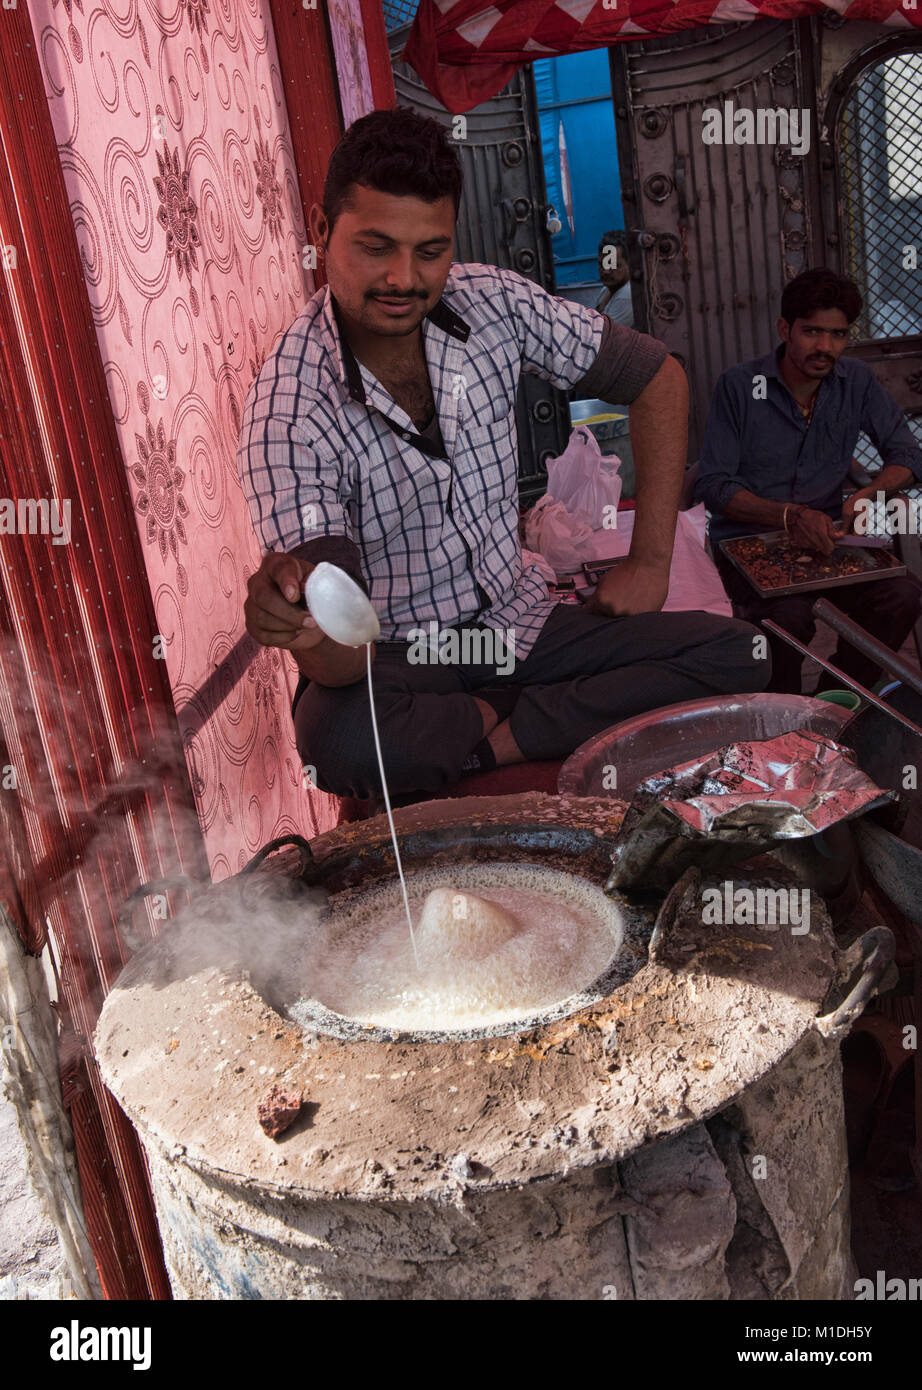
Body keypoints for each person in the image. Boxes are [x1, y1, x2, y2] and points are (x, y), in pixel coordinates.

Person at [237, 107, 769, 803]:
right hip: (402, 658)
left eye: (429, 250)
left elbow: (657, 377)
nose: (404, 278)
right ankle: (518, 719)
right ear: (321, 230)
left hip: (523, 623)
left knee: (741, 652)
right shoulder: (291, 410)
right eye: (375, 247)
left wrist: (651, 561)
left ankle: (495, 736)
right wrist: (303, 628)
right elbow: (345, 656)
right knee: (340, 740)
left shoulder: (492, 302)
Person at [696, 268, 922, 695]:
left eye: (837, 335)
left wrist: (869, 494)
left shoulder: (855, 381)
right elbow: (714, 484)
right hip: (751, 544)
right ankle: (787, 713)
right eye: (812, 332)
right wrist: (787, 515)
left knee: (903, 596)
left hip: (828, 542)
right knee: (788, 620)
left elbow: (908, 455)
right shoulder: (741, 387)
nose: (825, 347)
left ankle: (838, 699)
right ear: (785, 329)